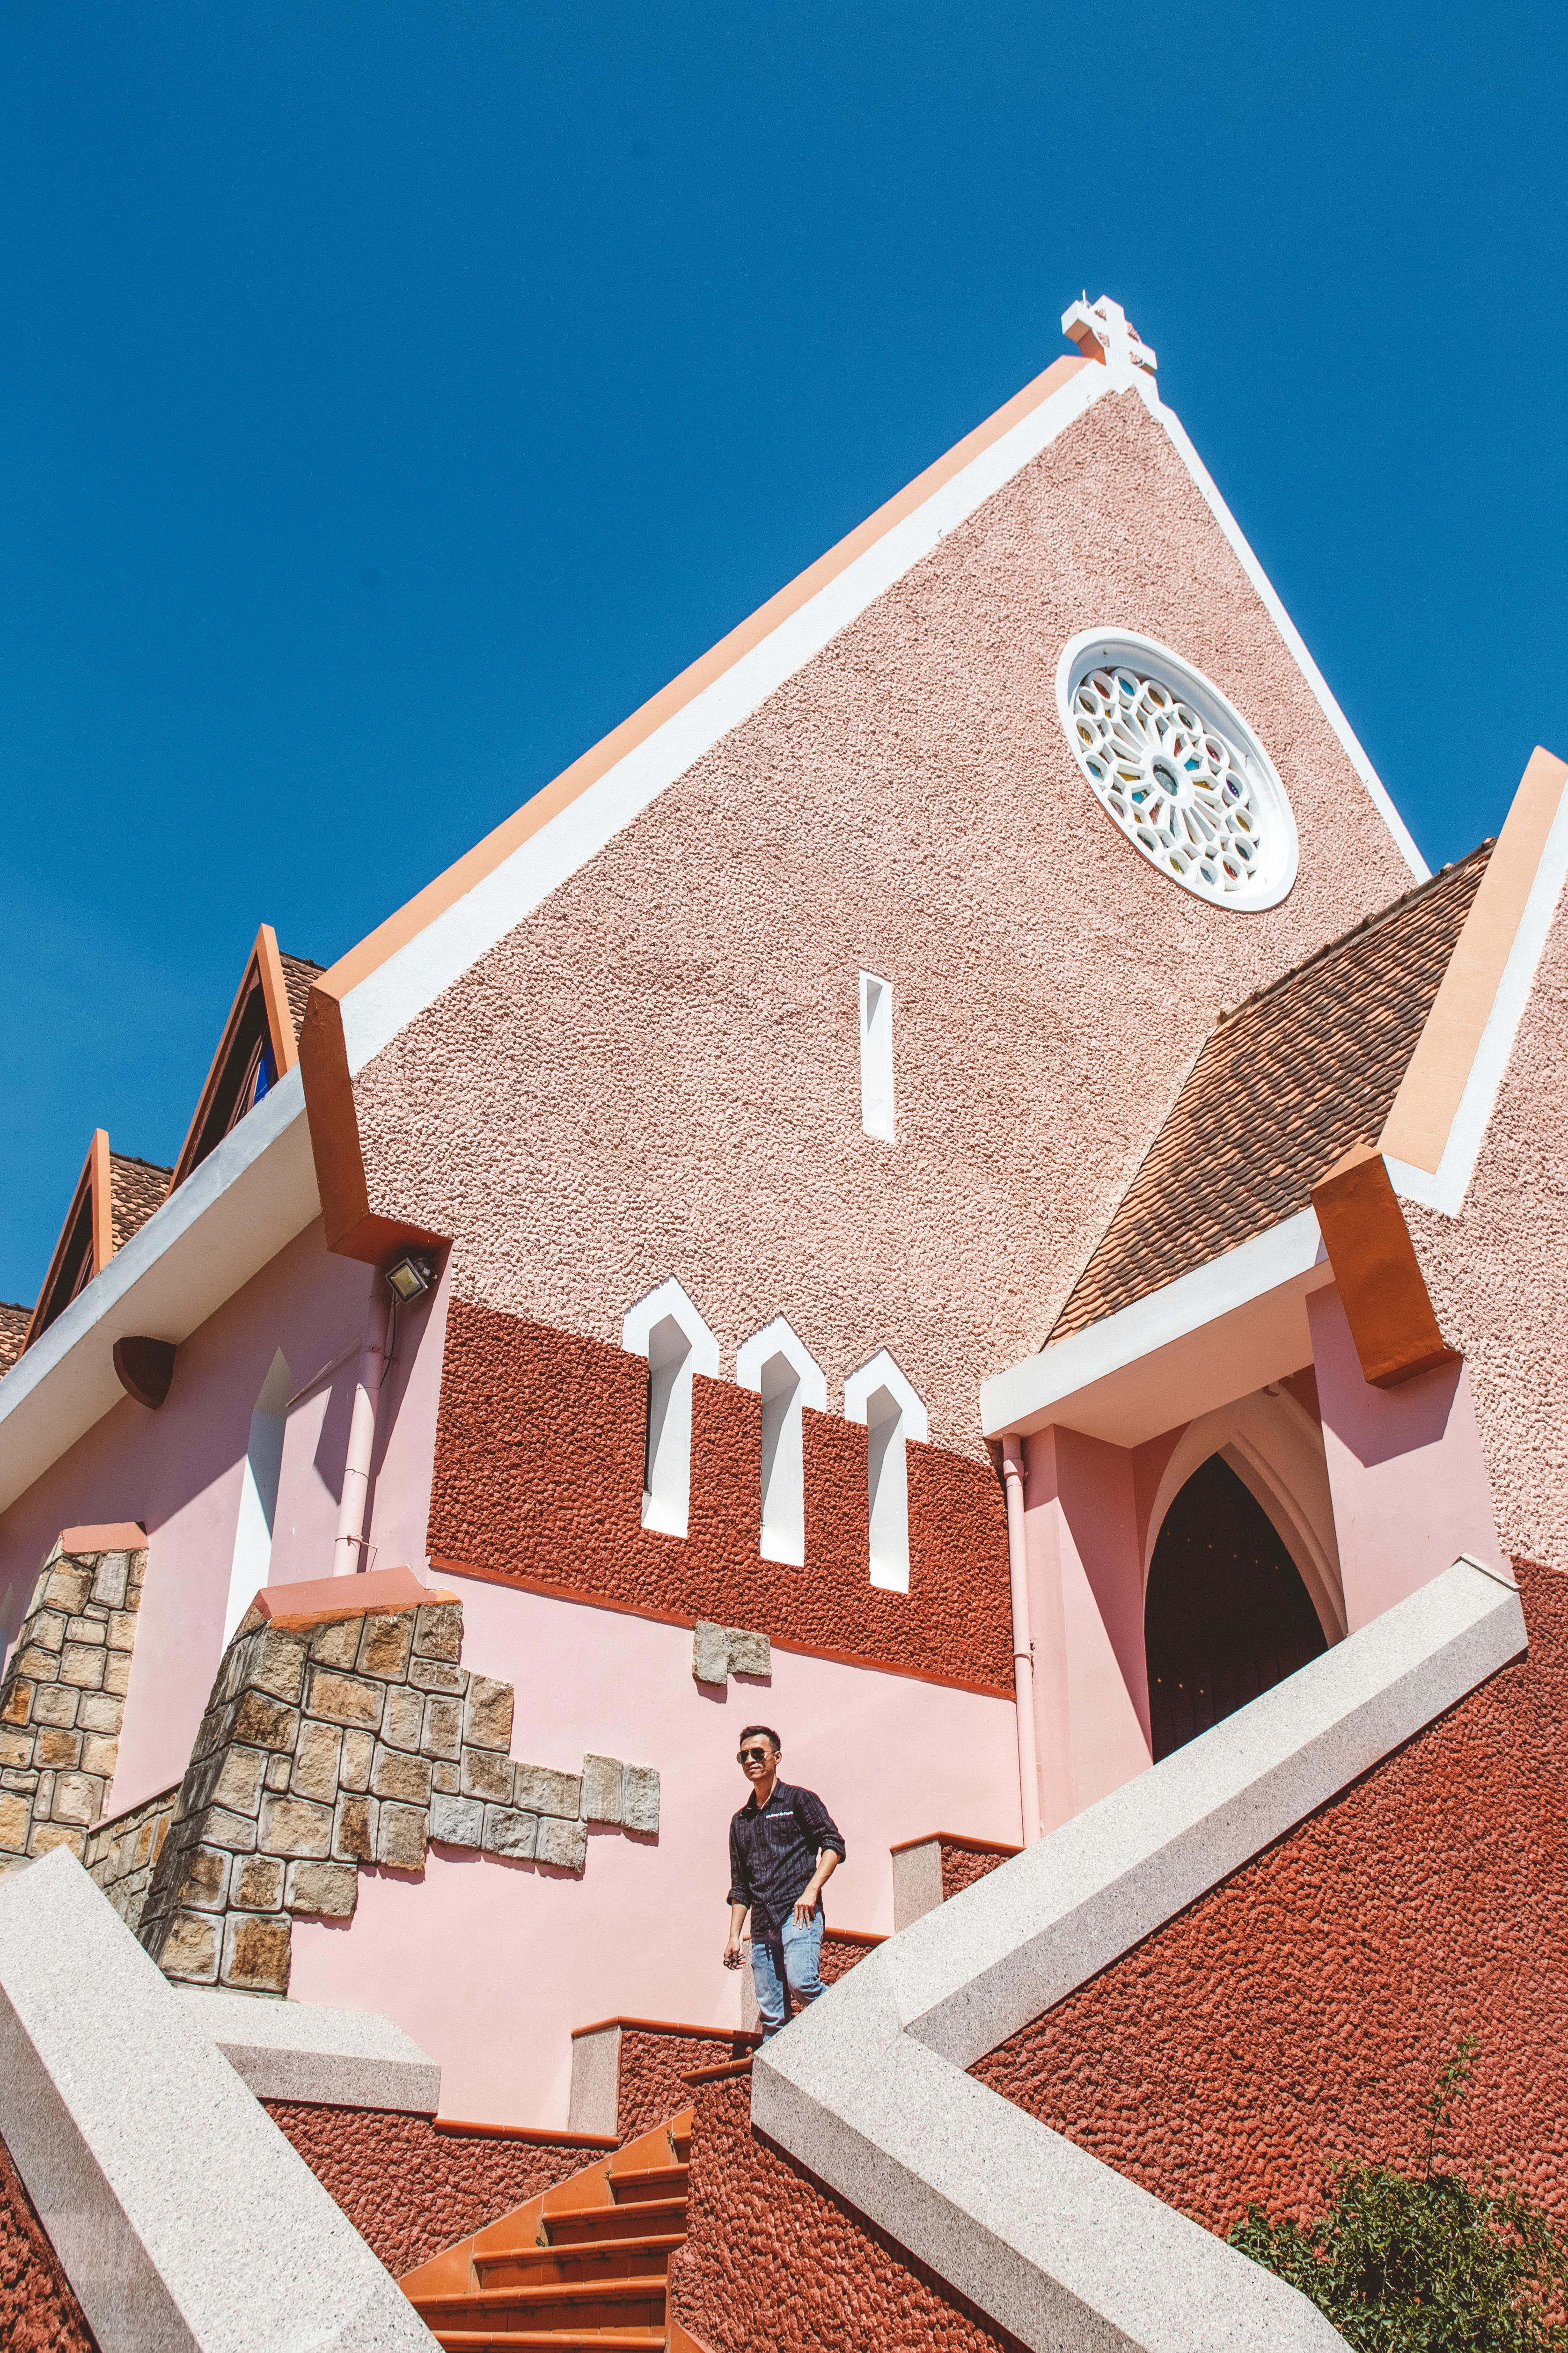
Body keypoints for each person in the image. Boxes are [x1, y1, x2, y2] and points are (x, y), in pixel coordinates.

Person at [723, 1725, 845, 2038]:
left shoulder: (799, 1800)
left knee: (803, 1983)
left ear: (776, 1757)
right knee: (773, 2017)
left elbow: (833, 1845)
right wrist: (735, 1935)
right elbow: (740, 1887)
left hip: (798, 1913)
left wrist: (811, 1890)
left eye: (758, 1753)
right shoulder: (740, 1821)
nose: (750, 1759)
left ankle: (855, 2018)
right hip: (763, 1925)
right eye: (744, 1755)